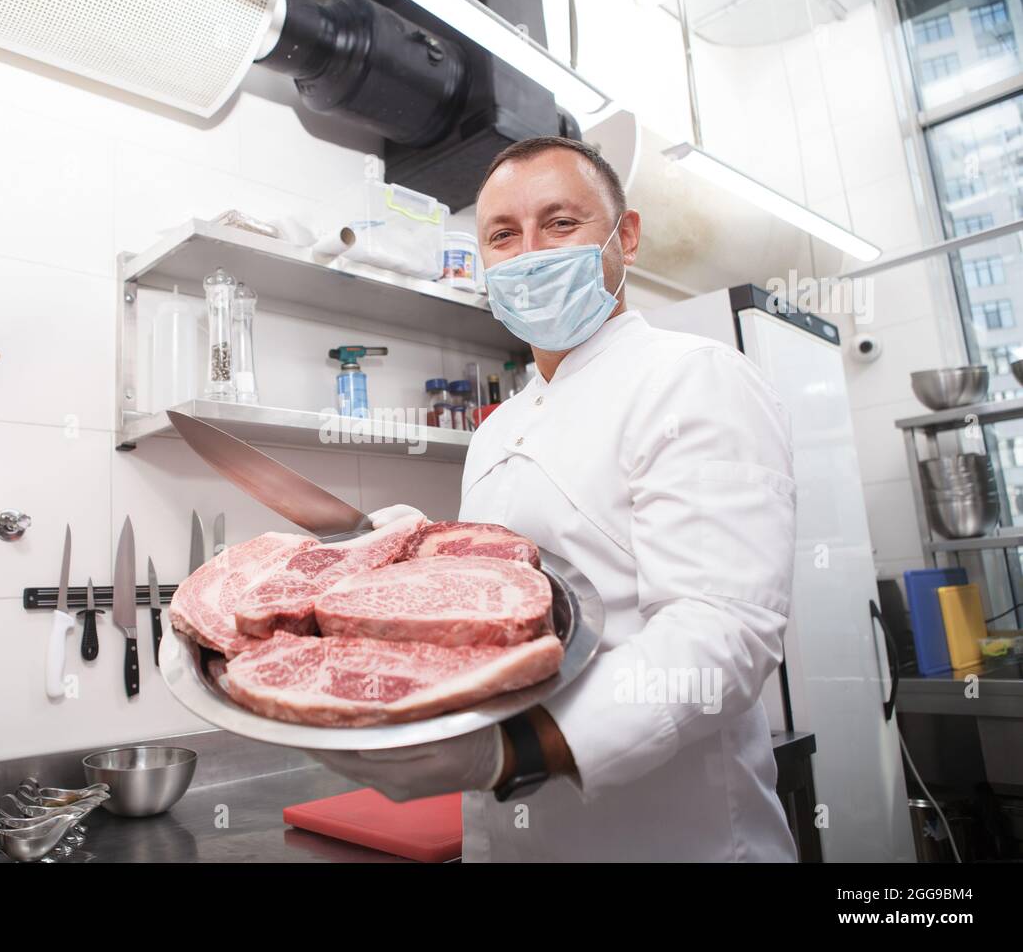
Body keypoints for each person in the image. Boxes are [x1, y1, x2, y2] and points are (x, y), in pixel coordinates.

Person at [308, 137, 799, 861]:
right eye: (503, 235)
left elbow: (721, 633)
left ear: (624, 235)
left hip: (676, 838)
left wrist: (520, 749)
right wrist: (414, 567)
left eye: (561, 223)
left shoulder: (692, 379)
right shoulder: (499, 427)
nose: (531, 252)